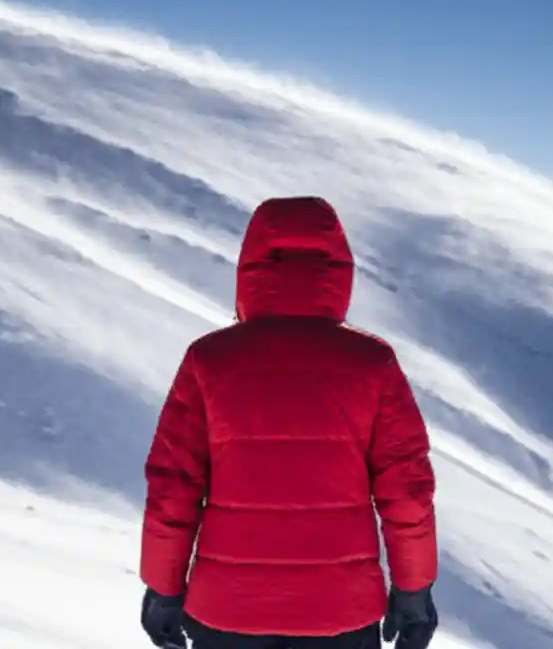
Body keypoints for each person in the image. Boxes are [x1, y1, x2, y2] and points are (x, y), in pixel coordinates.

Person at [139, 197, 439, 649]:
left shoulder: (209, 361)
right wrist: (413, 590)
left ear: (250, 269)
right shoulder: (373, 364)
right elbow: (407, 491)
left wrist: (163, 587)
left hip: (228, 613)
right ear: (339, 272)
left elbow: (172, 486)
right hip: (341, 614)